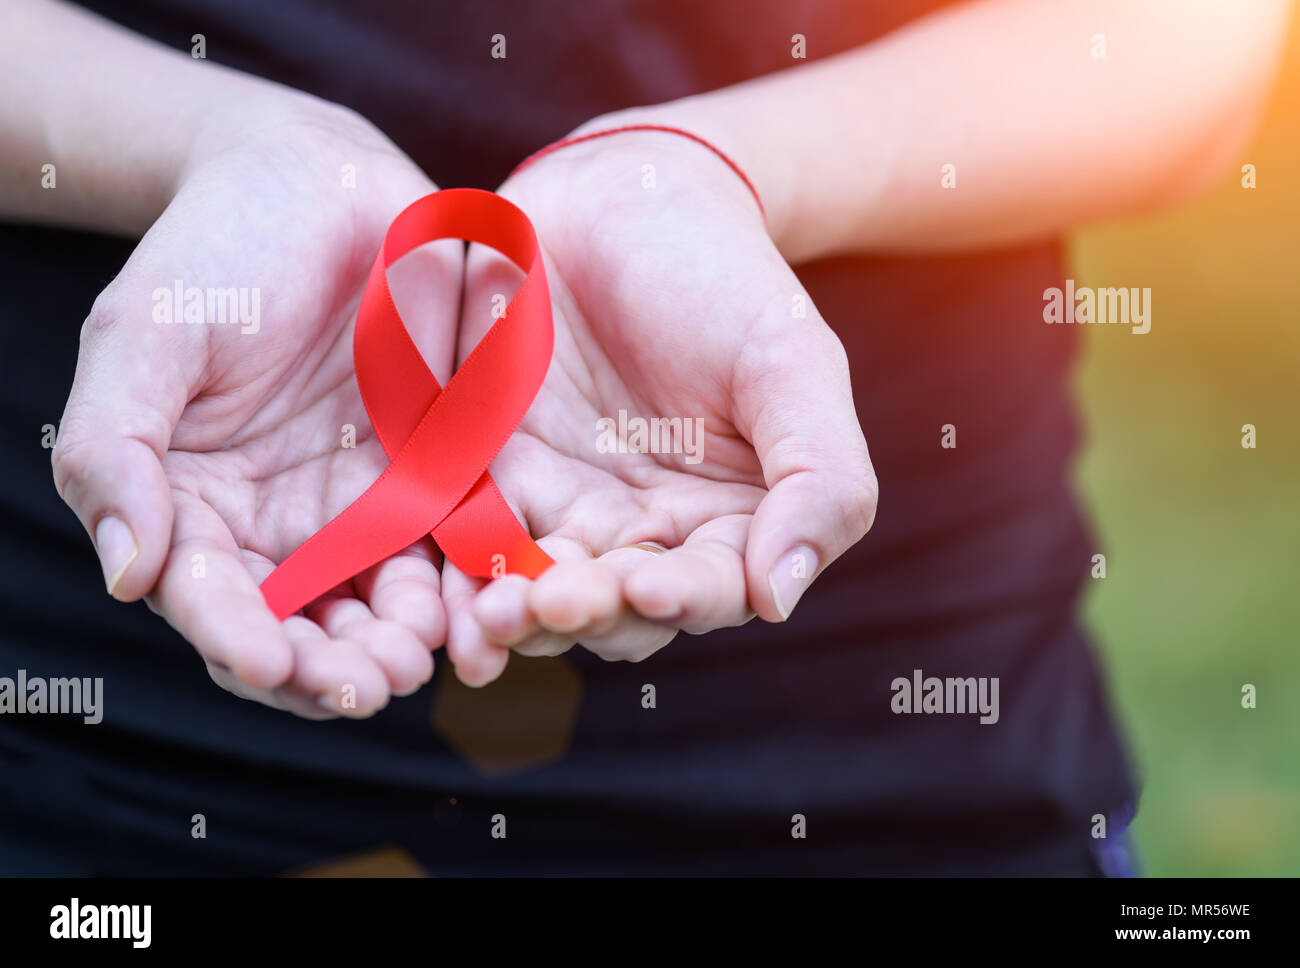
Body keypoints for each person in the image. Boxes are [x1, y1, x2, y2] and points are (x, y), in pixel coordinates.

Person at [0, 0, 1286, 875]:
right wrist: (215, 143)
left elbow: (1187, 45)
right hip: (107, 760)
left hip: (896, 758)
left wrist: (717, 166)